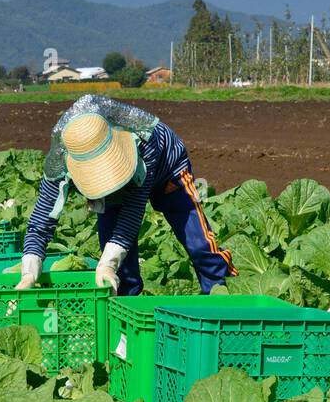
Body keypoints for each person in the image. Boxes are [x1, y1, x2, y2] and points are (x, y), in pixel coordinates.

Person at [17, 95, 236, 295]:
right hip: (115, 178)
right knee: (121, 272)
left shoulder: (144, 139)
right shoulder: (60, 161)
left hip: (169, 169)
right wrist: (29, 272)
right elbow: (41, 220)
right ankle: (126, 319)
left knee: (198, 242)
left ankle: (223, 298)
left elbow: (133, 210)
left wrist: (107, 262)